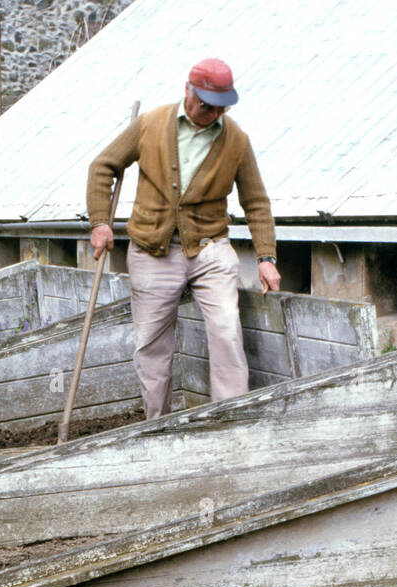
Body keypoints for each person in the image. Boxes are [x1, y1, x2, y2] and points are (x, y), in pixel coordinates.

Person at [86, 58, 281, 419]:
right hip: (152, 249)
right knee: (151, 343)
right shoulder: (150, 124)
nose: (212, 113)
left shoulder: (236, 140)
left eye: (220, 107)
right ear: (187, 91)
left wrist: (267, 258)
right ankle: (156, 425)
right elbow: (103, 166)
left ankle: (230, 421)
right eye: (206, 104)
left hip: (210, 247)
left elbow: (256, 202)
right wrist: (100, 222)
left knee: (226, 330)